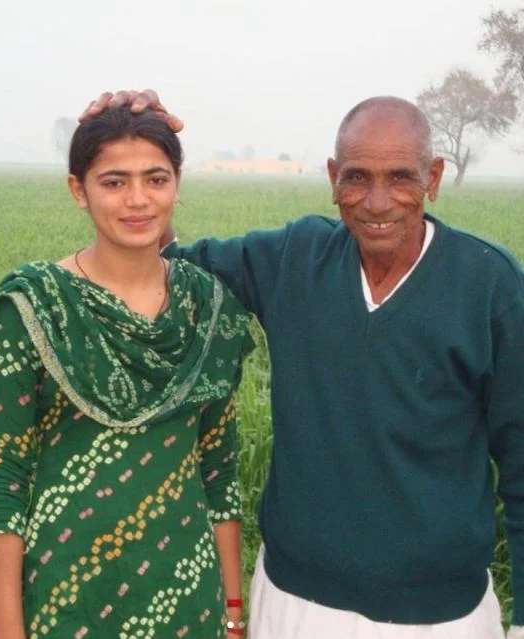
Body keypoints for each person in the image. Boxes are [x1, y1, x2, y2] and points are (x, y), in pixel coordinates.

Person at [82, 91, 524, 639]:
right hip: (294, 604)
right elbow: (175, 271)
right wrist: (142, 132)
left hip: (440, 617)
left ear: (432, 178)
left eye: (402, 178)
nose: (378, 202)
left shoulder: (489, 285)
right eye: (357, 177)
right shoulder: (296, 258)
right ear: (334, 177)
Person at [0, 106, 253, 639]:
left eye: (156, 179)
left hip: (187, 601)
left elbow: (218, 475)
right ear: (78, 190)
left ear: (176, 185)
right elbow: (3, 486)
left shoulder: (207, 309)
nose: (137, 200)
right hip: (64, 600)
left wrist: (233, 615)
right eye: (114, 181)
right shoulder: (37, 306)